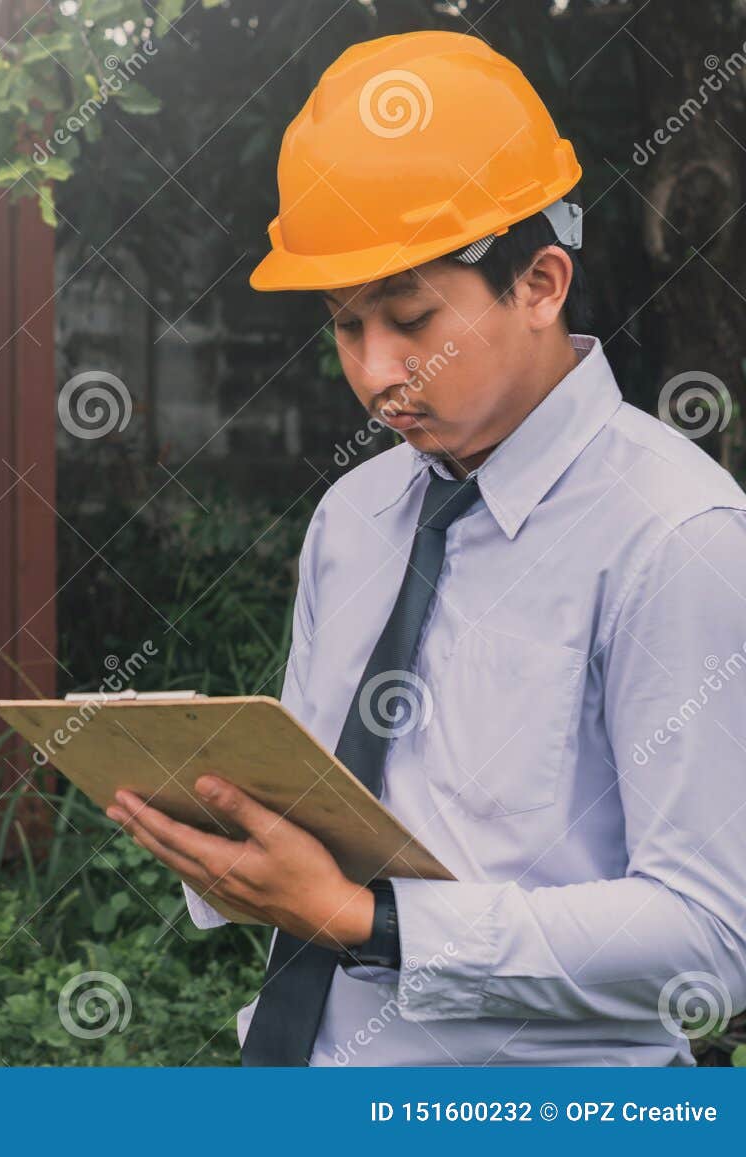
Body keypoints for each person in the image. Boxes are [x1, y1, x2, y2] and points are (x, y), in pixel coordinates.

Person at [105, 29, 746, 1066]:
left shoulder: (674, 535)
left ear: (540, 281)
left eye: (408, 318)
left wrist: (374, 922)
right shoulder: (355, 517)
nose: (373, 373)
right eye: (344, 326)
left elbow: (712, 939)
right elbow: (323, 810)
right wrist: (221, 820)